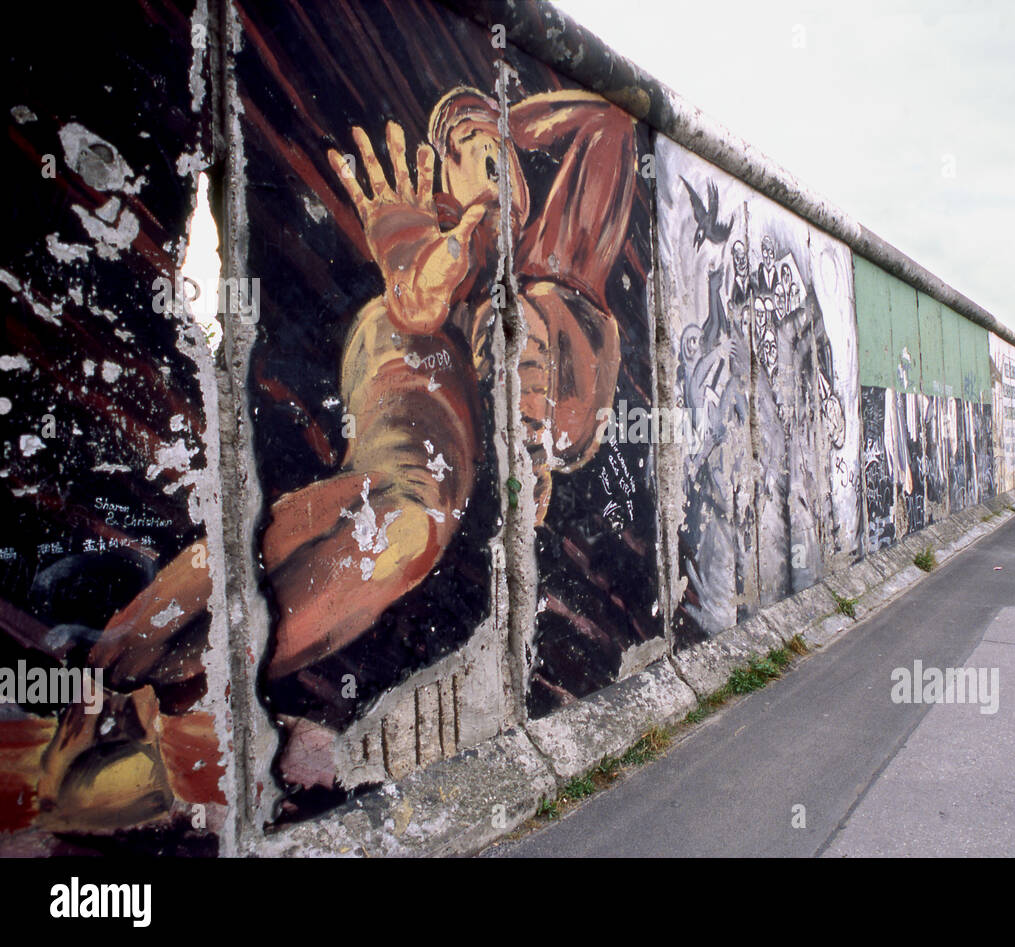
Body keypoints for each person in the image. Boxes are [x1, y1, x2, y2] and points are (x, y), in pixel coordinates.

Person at [33, 84, 640, 827]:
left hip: (462, 409)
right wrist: (447, 228)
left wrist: (496, 121)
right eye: (466, 157)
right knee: (404, 514)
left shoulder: (559, 259)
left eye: (498, 158)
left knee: (395, 526)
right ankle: (131, 652)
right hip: (416, 361)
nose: (489, 170)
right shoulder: (471, 247)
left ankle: (165, 673)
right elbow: (419, 299)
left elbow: (610, 118)